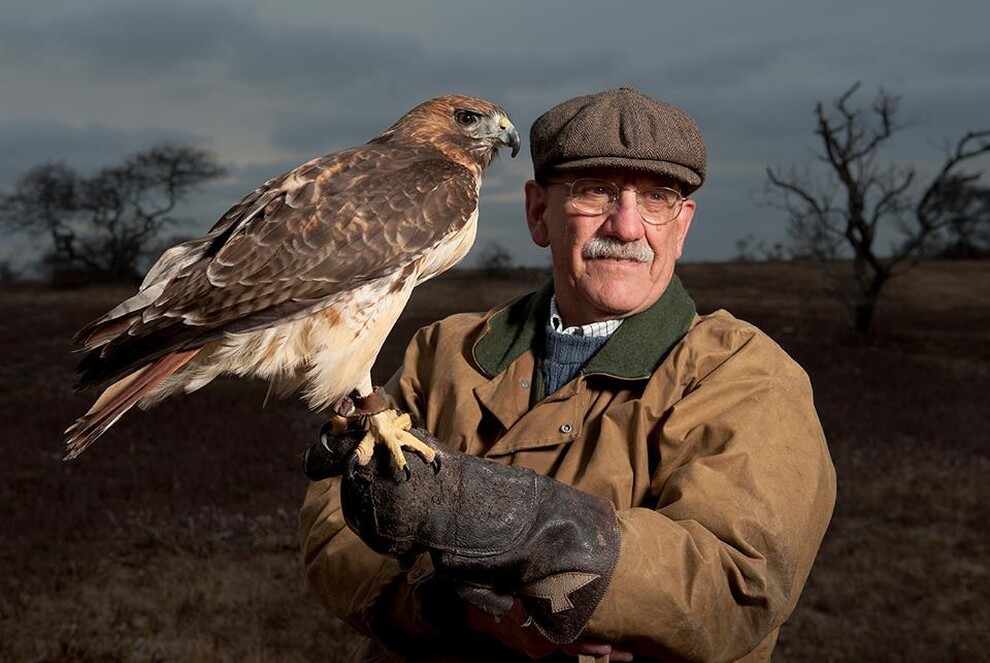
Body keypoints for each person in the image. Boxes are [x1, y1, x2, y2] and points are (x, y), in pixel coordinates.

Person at [299, 87, 836, 663]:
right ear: (538, 212)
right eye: (595, 191)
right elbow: (333, 527)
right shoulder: (445, 350)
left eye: (658, 198)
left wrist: (544, 536)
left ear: (682, 226)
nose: (628, 227)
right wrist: (448, 607)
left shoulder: (747, 374)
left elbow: (737, 581)